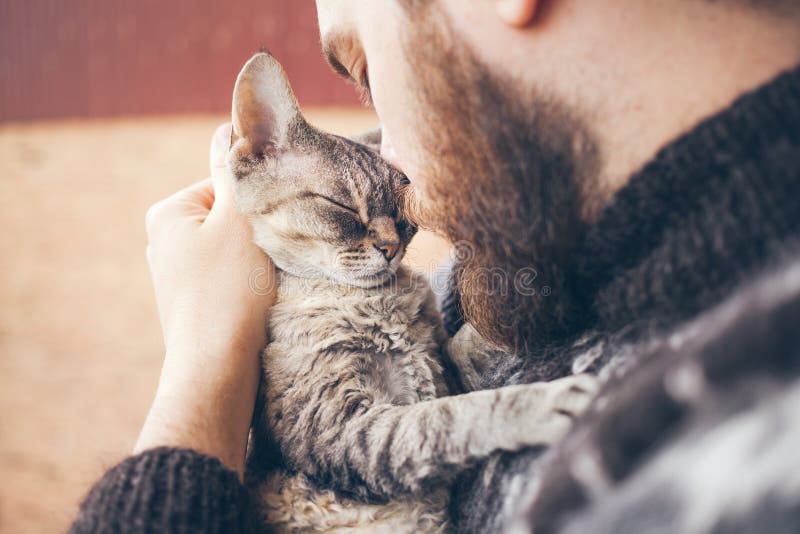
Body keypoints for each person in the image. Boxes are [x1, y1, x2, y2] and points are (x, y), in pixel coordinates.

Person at [71, 1, 800, 532]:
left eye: (362, 65)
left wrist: (199, 370)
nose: (386, 148)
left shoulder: (736, 459)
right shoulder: (526, 252)